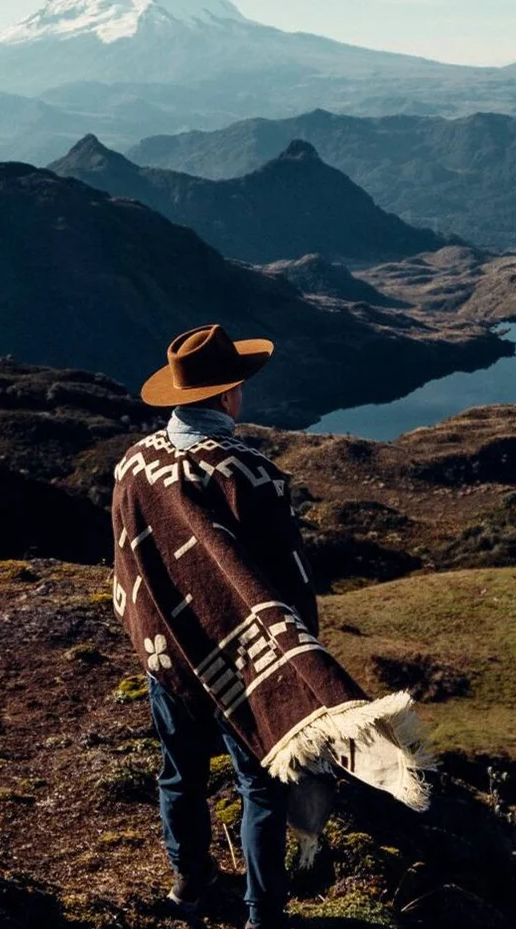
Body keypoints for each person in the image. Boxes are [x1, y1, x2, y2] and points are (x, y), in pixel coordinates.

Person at [111, 324, 434, 929]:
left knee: (180, 770)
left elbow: (132, 559)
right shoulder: (249, 474)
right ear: (231, 393)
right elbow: (284, 579)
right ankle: (263, 914)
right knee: (260, 787)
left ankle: (190, 882)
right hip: (249, 662)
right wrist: (296, 658)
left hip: (170, 653)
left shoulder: (135, 463)